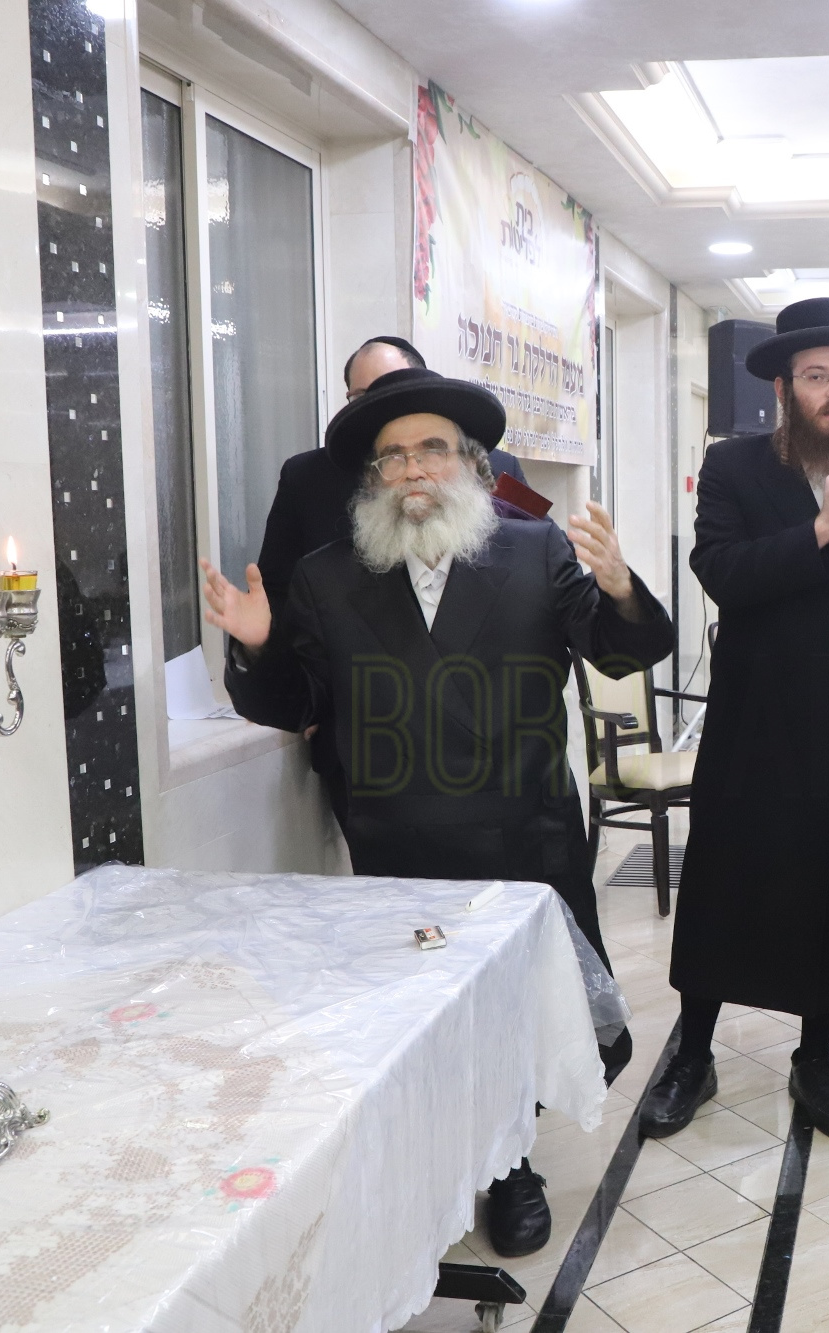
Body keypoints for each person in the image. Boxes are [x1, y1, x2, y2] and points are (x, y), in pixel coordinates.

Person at [203, 367, 673, 1259]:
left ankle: (514, 1165)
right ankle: (445, 1156)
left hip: (523, 840)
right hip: (397, 851)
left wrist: (618, 589)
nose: (411, 470)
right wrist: (258, 646)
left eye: (430, 449)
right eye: (391, 456)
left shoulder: (536, 550)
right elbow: (289, 699)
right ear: (373, 479)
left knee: (519, 1011)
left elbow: (622, 644)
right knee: (421, 1020)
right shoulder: (326, 577)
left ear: (470, 463)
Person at [639, 297, 829, 1143]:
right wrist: (818, 530)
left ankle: (815, 1058)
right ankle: (692, 1051)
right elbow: (723, 573)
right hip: (756, 719)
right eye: (816, 376)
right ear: (785, 388)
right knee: (725, 889)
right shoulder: (736, 468)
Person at [254, 337, 530, 827]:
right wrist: (296, 684)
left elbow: (536, 570)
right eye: (360, 397)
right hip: (373, 741)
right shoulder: (307, 476)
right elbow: (277, 593)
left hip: (491, 741)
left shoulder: (496, 466)